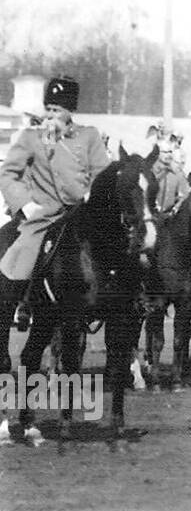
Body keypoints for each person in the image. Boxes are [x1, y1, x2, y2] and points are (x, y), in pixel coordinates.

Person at [0, 76, 111, 329]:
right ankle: (21, 301)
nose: (50, 115)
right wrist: (25, 204)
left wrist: (92, 193)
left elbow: (102, 174)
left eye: (57, 110)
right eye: (48, 109)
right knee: (22, 258)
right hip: (43, 214)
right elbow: (8, 174)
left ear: (70, 111)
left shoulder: (89, 136)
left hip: (80, 212)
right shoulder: (34, 137)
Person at [152, 134, 191, 215]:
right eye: (165, 152)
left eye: (170, 152)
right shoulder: (151, 170)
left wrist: (175, 208)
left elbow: (184, 195)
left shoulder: (178, 173)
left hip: (169, 216)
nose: (168, 155)